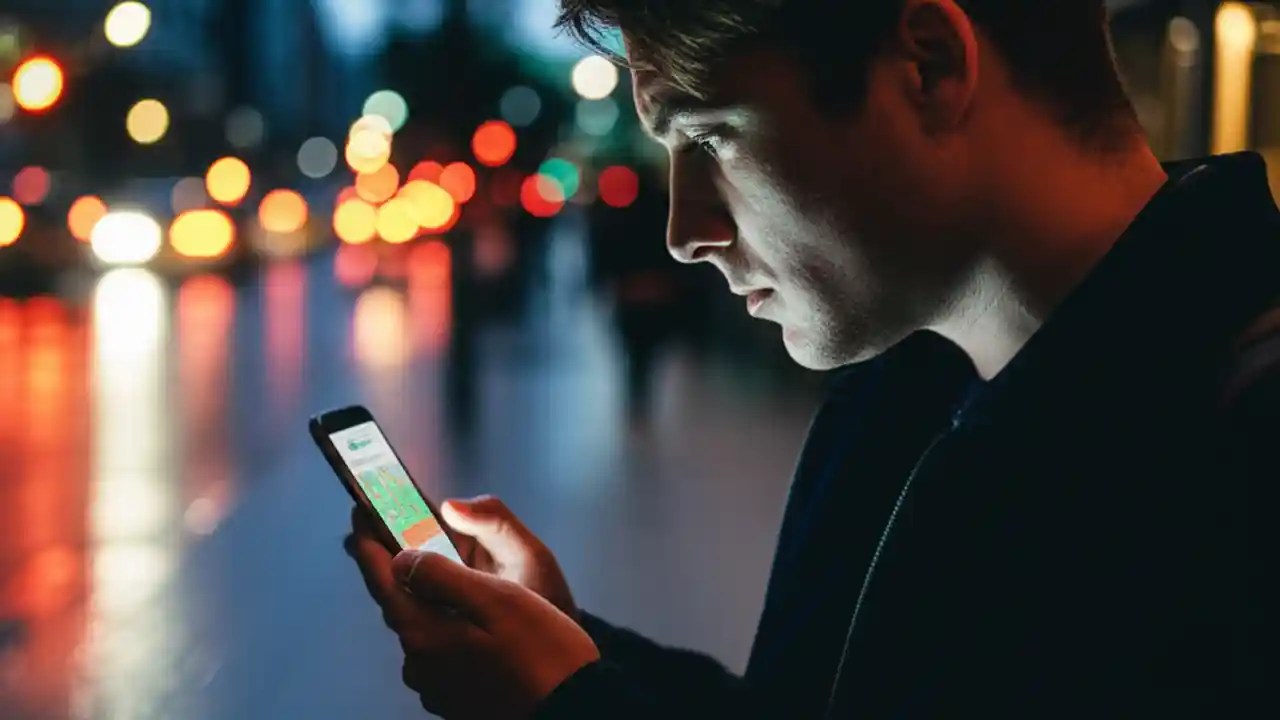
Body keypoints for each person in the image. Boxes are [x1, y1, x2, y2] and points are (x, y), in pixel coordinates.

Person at [345, 1, 1280, 717]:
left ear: (929, 63)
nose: (684, 232)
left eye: (710, 137)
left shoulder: (1245, 460)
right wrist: (567, 658)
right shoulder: (901, 394)